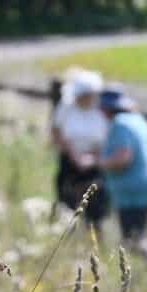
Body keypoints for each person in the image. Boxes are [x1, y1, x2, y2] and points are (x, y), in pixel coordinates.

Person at [97, 86, 147, 256]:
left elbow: (123, 159)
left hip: (133, 189)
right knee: (136, 234)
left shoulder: (119, 124)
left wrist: (96, 162)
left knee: (134, 237)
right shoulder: (136, 118)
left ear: (106, 109)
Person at [51, 69, 109, 225]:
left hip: (94, 164)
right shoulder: (66, 106)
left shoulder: (100, 110)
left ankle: (93, 236)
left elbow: (106, 138)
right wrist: (74, 155)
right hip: (70, 161)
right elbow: (56, 132)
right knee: (67, 203)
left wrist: (92, 158)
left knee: (95, 207)